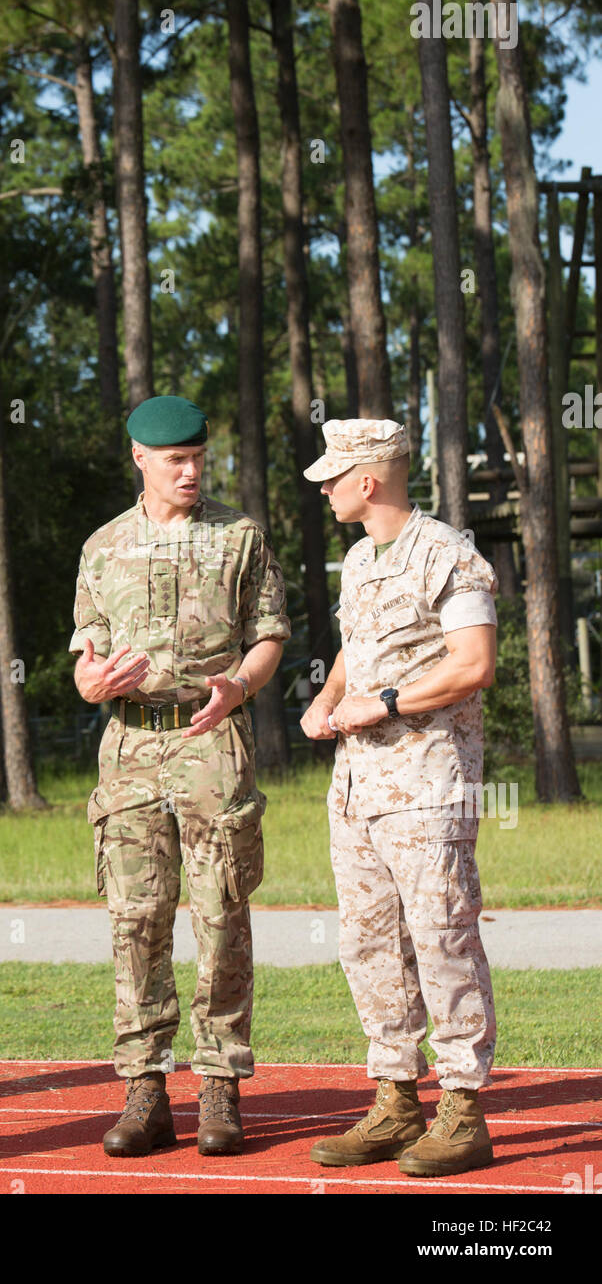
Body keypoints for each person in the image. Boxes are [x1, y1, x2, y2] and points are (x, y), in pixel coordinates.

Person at [70, 395, 290, 1157]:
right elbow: (85, 662)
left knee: (222, 916)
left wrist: (241, 685)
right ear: (140, 457)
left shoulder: (239, 537)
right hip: (129, 749)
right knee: (137, 923)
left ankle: (221, 1090)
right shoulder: (102, 547)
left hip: (210, 739)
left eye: (198, 457)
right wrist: (91, 686)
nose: (191, 471)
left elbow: (268, 635)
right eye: (176, 461)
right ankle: (145, 1091)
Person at [301, 418, 498, 1177]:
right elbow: (360, 644)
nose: (323, 486)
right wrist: (329, 697)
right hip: (358, 787)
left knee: (442, 937)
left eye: (333, 475)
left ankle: (464, 1109)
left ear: (369, 480)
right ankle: (395, 1099)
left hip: (425, 783)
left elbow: (472, 663)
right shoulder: (359, 558)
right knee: (370, 943)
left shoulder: (447, 552)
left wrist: (380, 703)